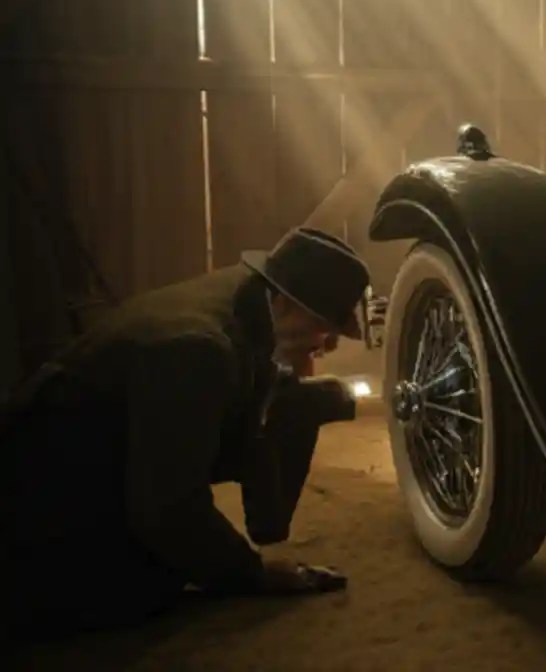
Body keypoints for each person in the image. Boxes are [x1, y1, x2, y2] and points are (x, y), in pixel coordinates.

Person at [1, 227, 371, 636]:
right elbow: (167, 507)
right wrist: (252, 573)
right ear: (284, 303)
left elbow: (263, 383)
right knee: (151, 583)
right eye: (324, 326)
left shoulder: (248, 296)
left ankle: (263, 528)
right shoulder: (198, 349)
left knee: (309, 398)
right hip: (45, 489)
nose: (328, 343)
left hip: (104, 446)